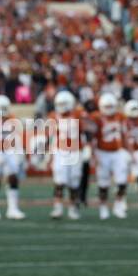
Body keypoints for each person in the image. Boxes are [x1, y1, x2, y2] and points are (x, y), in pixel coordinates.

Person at [92, 92, 130, 219]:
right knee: (103, 183)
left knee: (122, 181)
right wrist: (94, 155)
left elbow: (125, 135)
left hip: (118, 152)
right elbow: (92, 138)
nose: (109, 110)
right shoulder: (96, 118)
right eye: (106, 107)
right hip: (102, 152)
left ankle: (118, 205)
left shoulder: (120, 117)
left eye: (110, 106)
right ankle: (103, 207)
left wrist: (129, 151)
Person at [0, 94, 26, 220]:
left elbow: (16, 136)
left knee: (13, 177)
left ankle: (13, 208)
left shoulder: (13, 119)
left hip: (10, 151)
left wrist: (19, 153)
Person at [49, 90, 83, 220]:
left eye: (64, 103)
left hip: (75, 151)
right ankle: (58, 207)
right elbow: (51, 136)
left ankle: (73, 207)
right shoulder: (53, 116)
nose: (61, 106)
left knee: (74, 182)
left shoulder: (78, 114)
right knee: (60, 181)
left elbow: (87, 132)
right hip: (60, 151)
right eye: (60, 103)